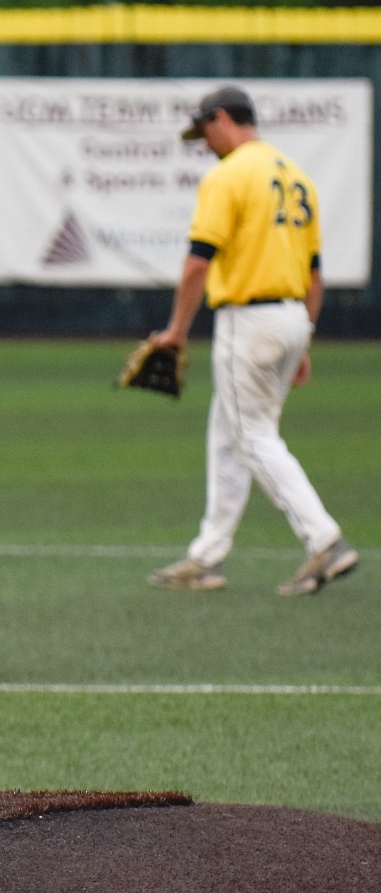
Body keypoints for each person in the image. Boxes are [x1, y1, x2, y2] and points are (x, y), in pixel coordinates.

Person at [146, 85, 357, 597]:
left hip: (250, 321)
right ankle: (206, 557)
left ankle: (324, 540)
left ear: (222, 119)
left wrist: (175, 331)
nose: (205, 144)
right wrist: (304, 338)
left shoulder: (229, 175)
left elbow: (199, 261)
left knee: (254, 437)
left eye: (205, 131)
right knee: (229, 434)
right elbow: (314, 273)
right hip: (290, 317)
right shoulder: (296, 175)